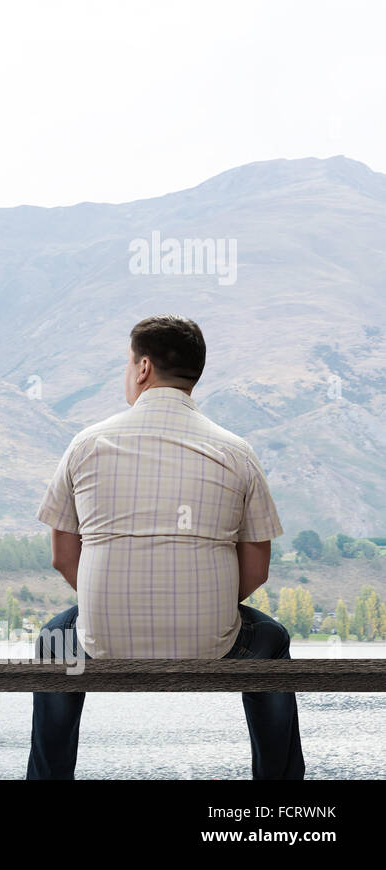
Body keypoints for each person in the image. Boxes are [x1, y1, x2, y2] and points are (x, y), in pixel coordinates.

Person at [27, 314, 303, 780]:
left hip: (102, 637)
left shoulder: (86, 443)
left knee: (55, 641)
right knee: (271, 640)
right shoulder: (236, 451)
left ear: (143, 367)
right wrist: (204, 605)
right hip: (214, 639)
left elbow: (61, 555)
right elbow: (257, 569)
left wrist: (106, 599)